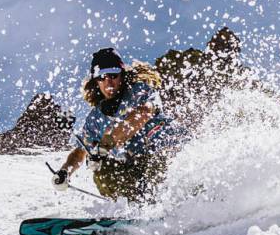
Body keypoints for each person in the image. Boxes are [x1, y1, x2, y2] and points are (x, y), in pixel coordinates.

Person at [54, 48, 187, 201]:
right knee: (104, 172)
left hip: (170, 152)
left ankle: (167, 205)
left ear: (122, 75)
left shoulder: (139, 91)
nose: (108, 82)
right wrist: (65, 172)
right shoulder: (96, 118)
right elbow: (81, 150)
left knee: (155, 167)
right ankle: (136, 211)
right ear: (95, 81)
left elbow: (143, 113)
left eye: (113, 75)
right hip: (137, 163)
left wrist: (106, 144)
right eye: (102, 77)